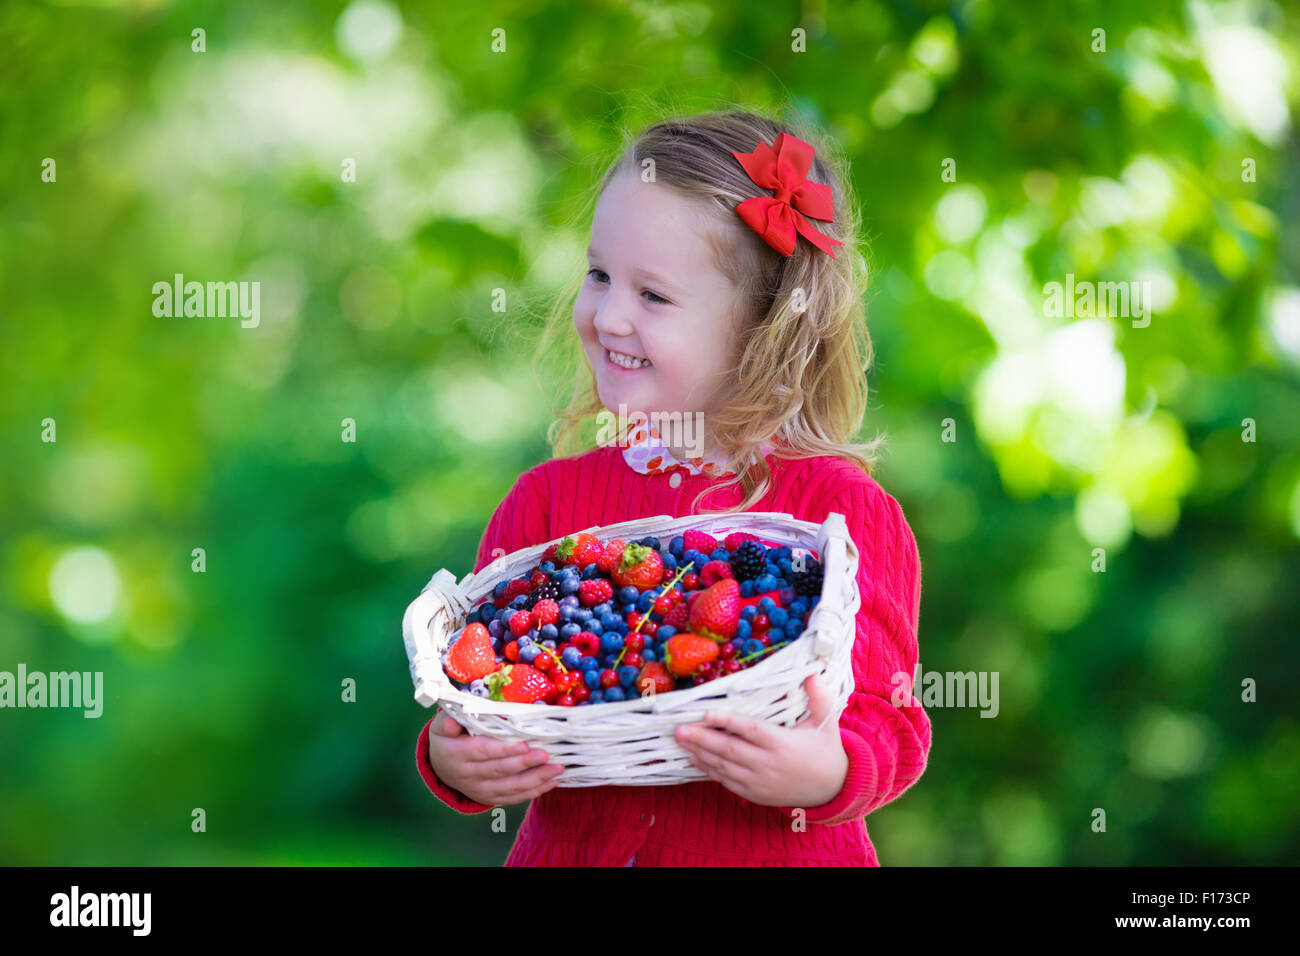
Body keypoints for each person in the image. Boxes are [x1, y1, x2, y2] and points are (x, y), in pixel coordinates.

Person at [416, 108, 930, 866]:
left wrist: (829, 770)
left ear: (763, 326)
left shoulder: (841, 511)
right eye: (599, 275)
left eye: (653, 296)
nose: (609, 316)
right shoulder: (546, 503)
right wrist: (452, 756)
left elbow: (890, 719)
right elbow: (481, 675)